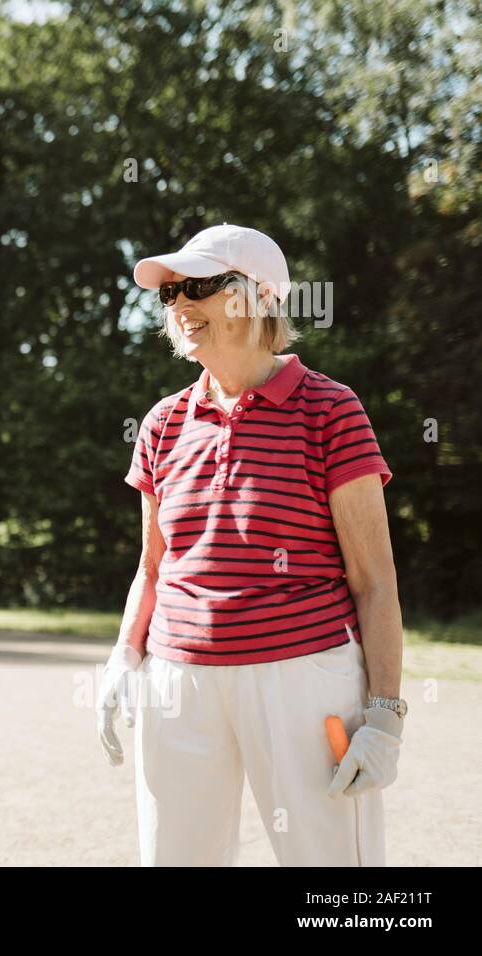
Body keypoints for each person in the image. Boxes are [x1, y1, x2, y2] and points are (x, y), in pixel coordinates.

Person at [96, 224, 405, 866]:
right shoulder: (160, 423)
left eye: (199, 286)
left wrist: (385, 715)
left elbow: (374, 580)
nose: (179, 304)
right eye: (171, 292)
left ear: (258, 298)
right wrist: (125, 657)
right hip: (177, 679)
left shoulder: (331, 410)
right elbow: (152, 567)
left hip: (302, 675)